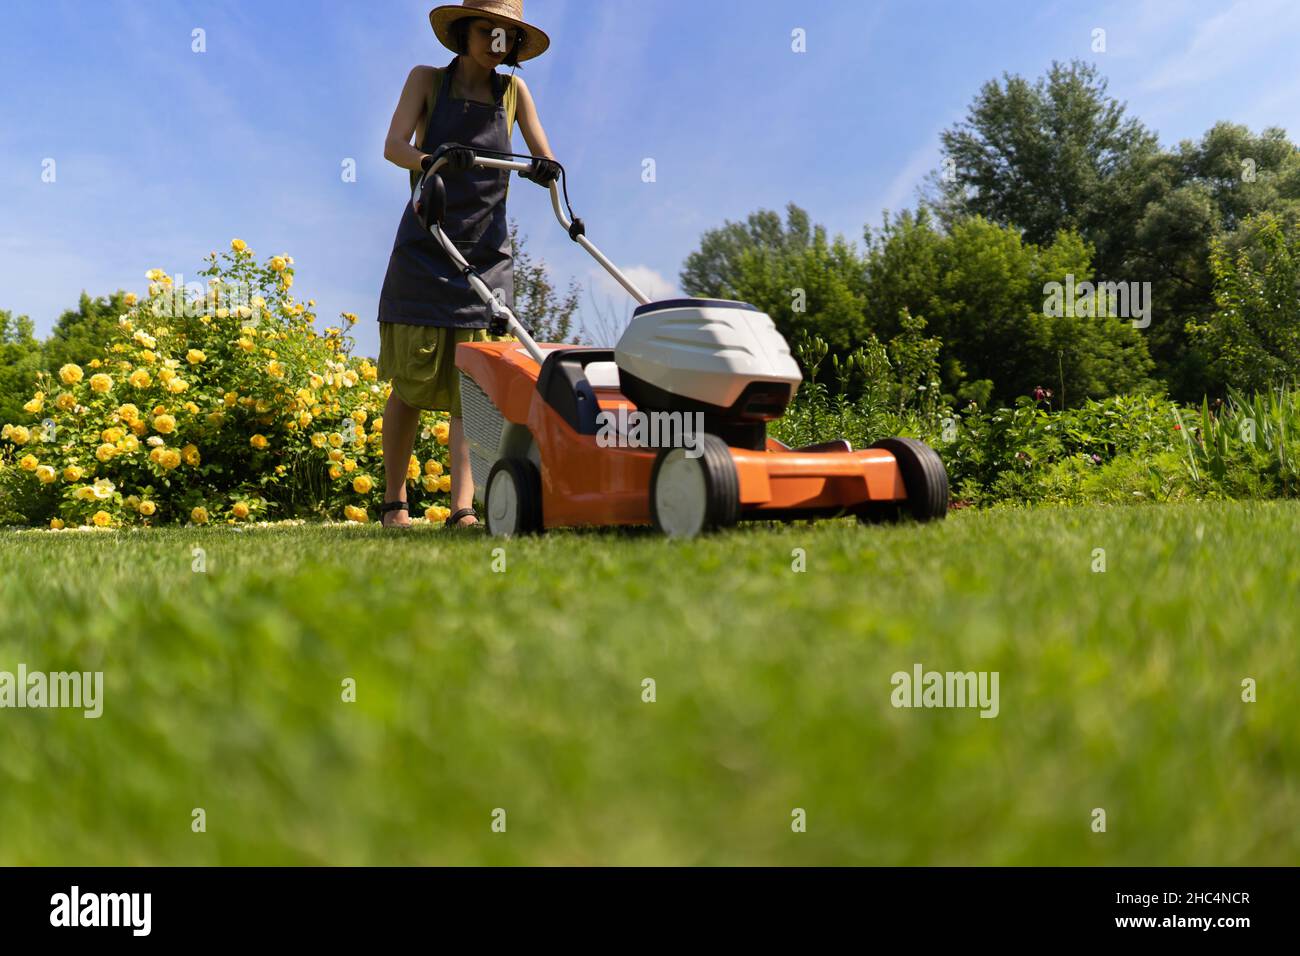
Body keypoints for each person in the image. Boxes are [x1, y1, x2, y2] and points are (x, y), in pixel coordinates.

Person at [376, 0, 560, 528]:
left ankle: (462, 508)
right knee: (410, 385)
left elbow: (541, 153)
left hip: (485, 257)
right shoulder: (427, 81)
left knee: (471, 393)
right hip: (426, 248)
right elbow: (394, 147)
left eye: (506, 35)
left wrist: (544, 167)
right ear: (463, 31)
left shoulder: (513, 94)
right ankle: (395, 503)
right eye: (486, 30)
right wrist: (432, 157)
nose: (495, 42)